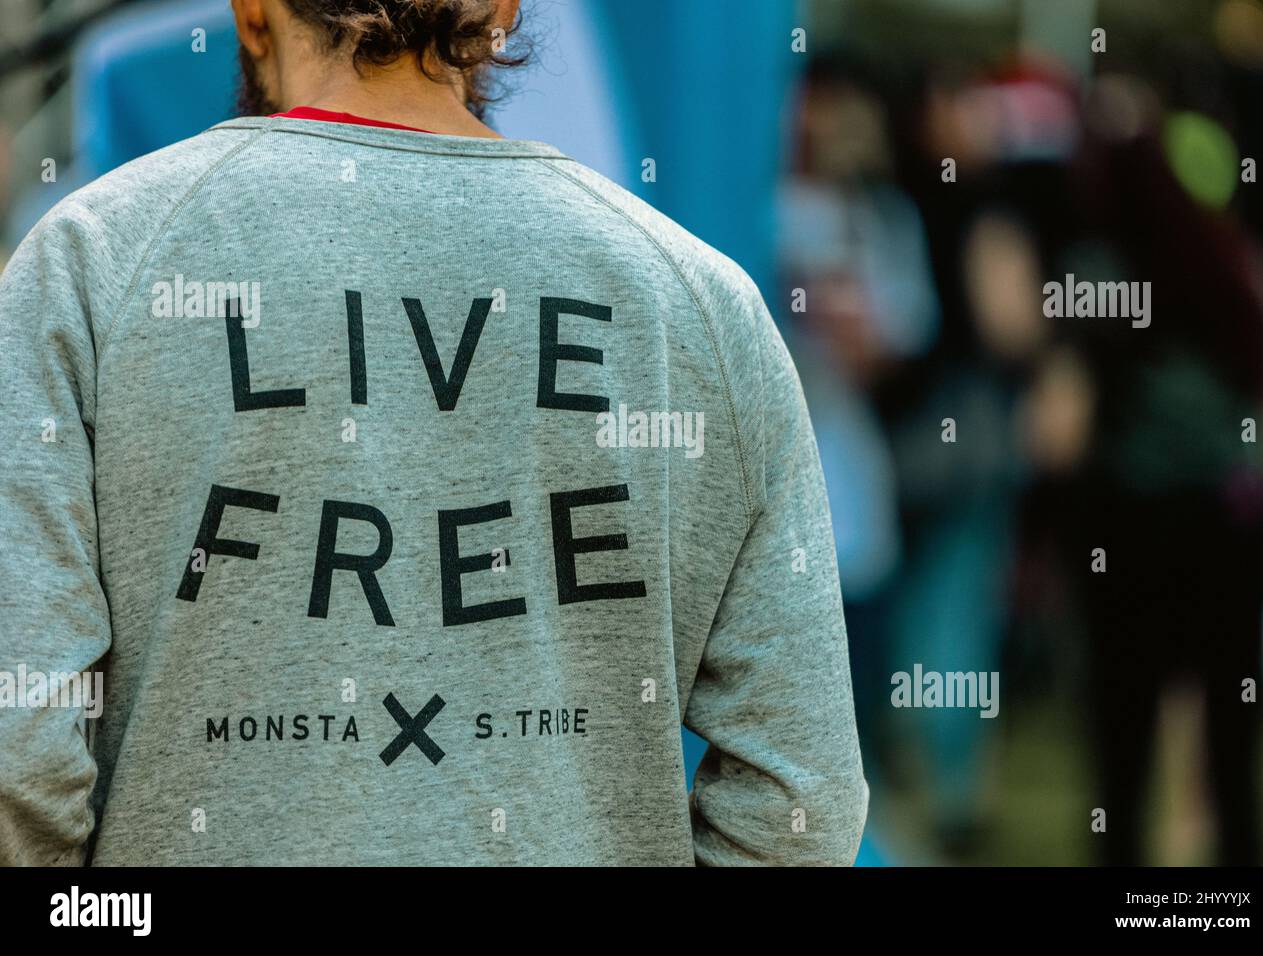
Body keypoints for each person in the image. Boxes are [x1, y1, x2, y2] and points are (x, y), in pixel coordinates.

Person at [0, 0, 867, 866]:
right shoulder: (697, 303)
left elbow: (21, 750)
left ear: (253, 10)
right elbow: (800, 797)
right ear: (500, 13)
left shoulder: (91, 266)